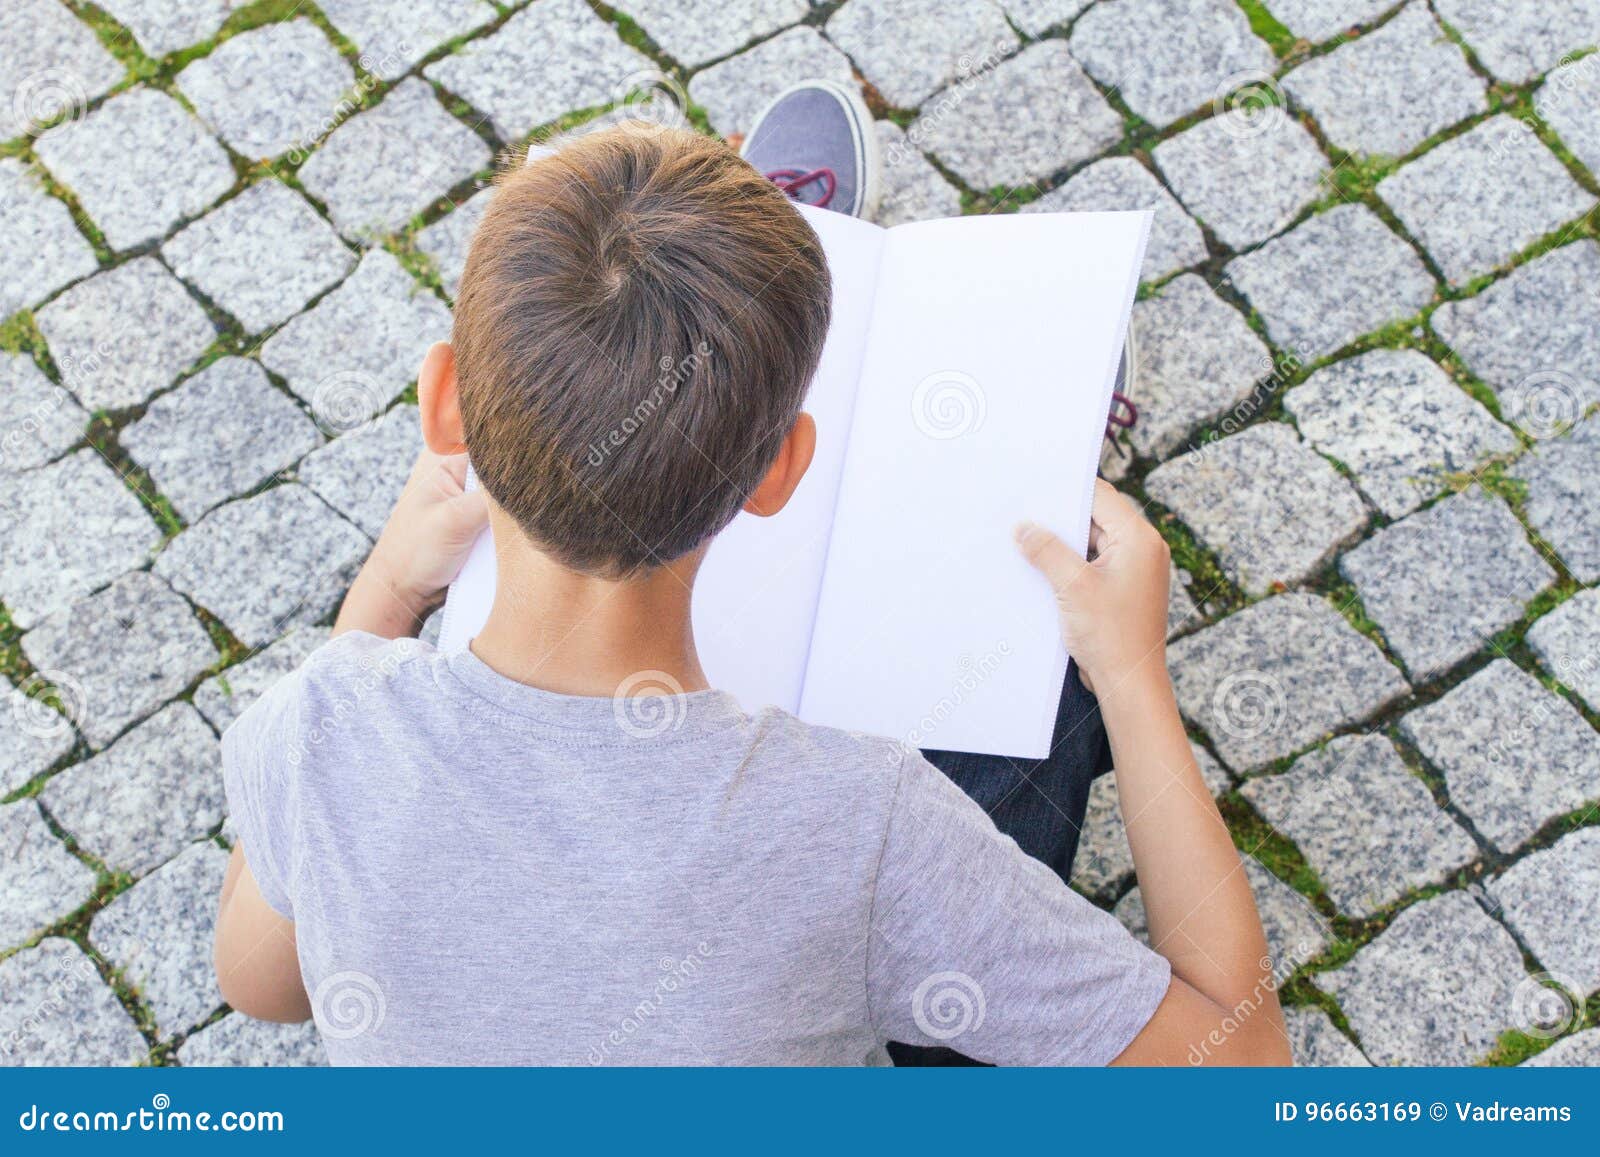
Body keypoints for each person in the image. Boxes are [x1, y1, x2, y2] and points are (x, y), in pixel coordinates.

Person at [214, 83, 1286, 1066]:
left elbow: (259, 982)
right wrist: (1135, 672)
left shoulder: (317, 724)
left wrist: (389, 595)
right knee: (1038, 677)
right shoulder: (867, 826)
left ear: (445, 406)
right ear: (778, 470)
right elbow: (1239, 1078)